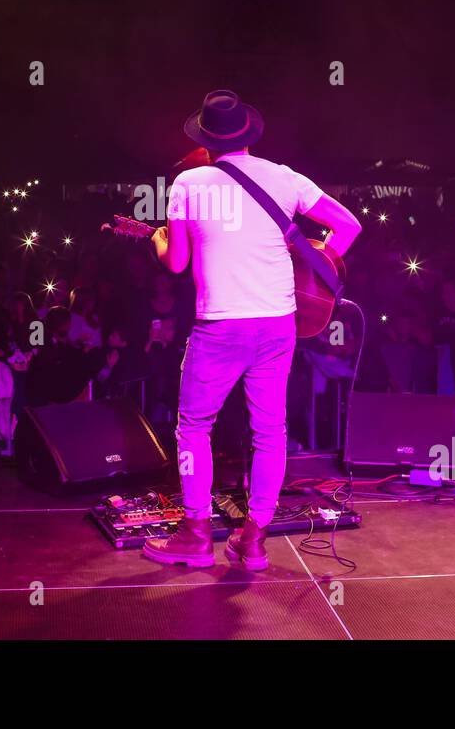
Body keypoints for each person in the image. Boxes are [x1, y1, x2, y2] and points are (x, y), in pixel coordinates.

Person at [142, 89, 361, 571]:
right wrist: (312, 266)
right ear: (248, 134)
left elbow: (177, 262)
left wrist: (158, 241)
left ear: (205, 138)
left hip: (219, 327)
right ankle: (254, 539)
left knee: (194, 428)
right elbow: (348, 226)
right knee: (270, 432)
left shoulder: (188, 183)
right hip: (277, 326)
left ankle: (197, 533)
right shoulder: (284, 178)